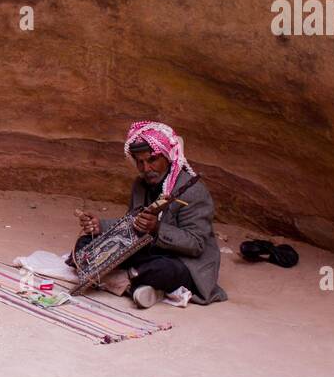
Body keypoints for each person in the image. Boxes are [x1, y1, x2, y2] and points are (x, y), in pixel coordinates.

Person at [73, 121, 227, 308]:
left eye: (152, 160)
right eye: (140, 162)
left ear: (167, 156)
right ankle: (136, 284)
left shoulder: (192, 191)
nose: (146, 169)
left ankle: (117, 278)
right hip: (148, 251)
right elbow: (132, 224)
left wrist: (157, 229)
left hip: (182, 261)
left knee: (161, 270)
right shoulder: (140, 185)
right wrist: (100, 226)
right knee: (85, 246)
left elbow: (196, 244)